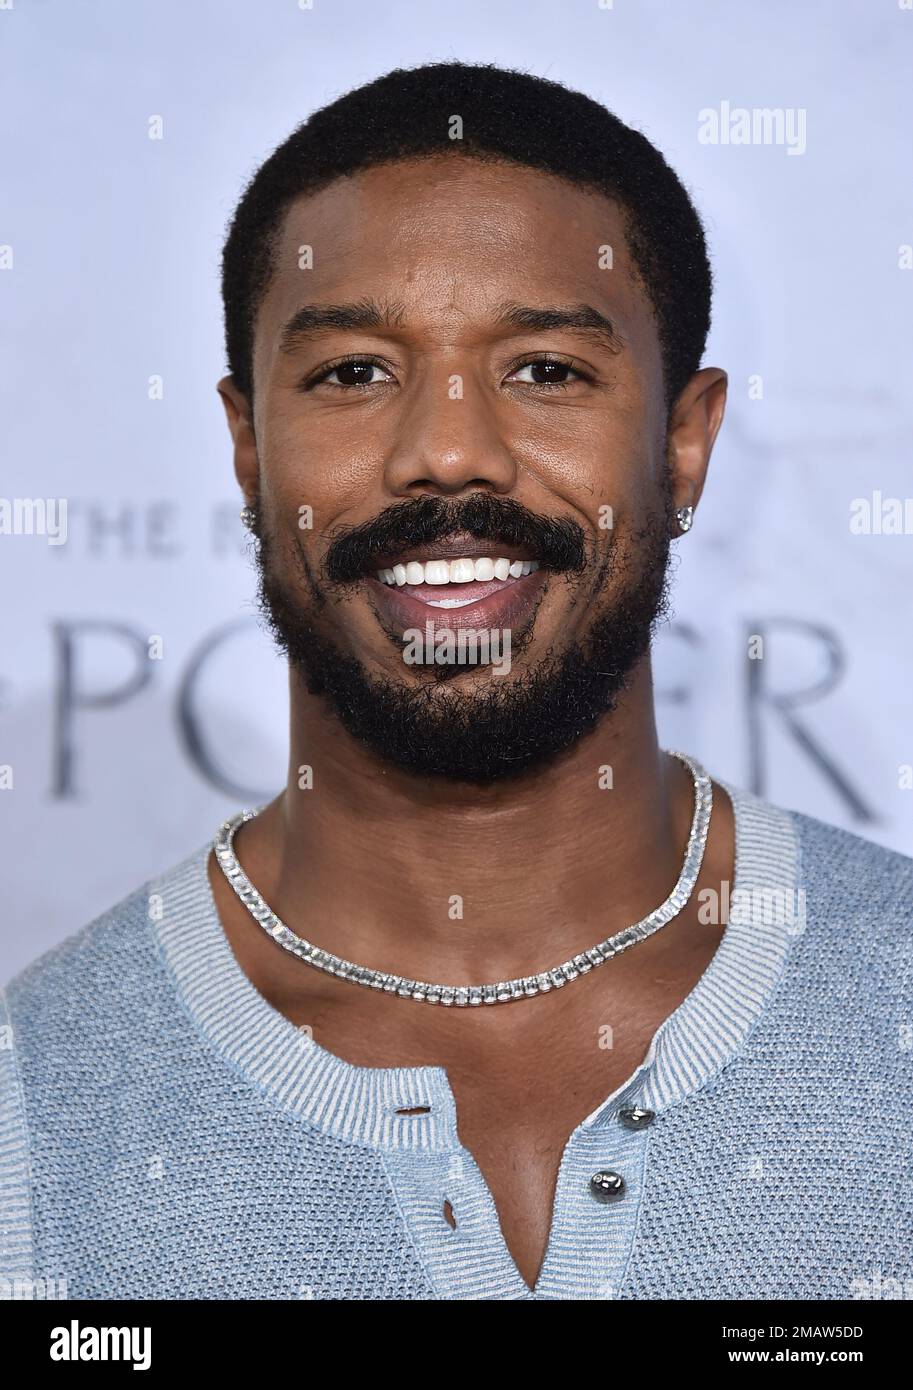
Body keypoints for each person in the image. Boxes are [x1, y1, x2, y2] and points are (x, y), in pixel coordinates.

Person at [2, 61, 910, 1302]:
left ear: (682, 443)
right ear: (247, 447)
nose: (445, 451)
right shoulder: (35, 1109)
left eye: (545, 369)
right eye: (354, 372)